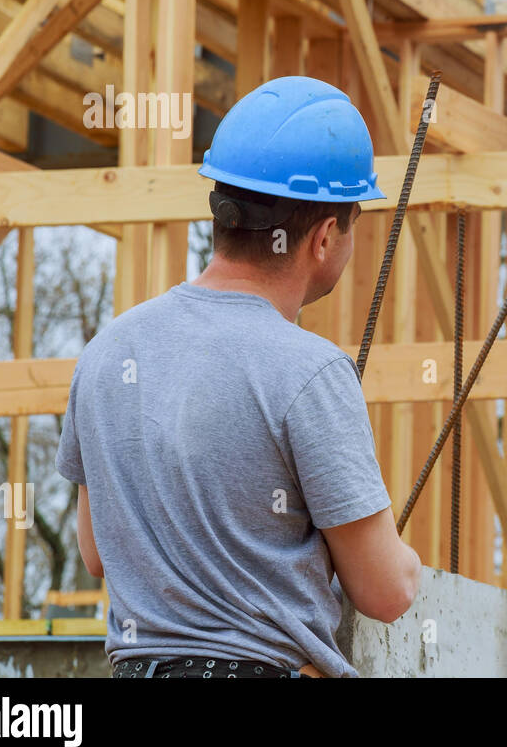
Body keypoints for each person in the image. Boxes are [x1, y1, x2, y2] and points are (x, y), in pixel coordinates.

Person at [56, 76, 421, 678]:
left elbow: (97, 553)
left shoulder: (107, 353)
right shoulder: (309, 369)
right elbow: (386, 592)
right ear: (326, 236)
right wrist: (396, 557)